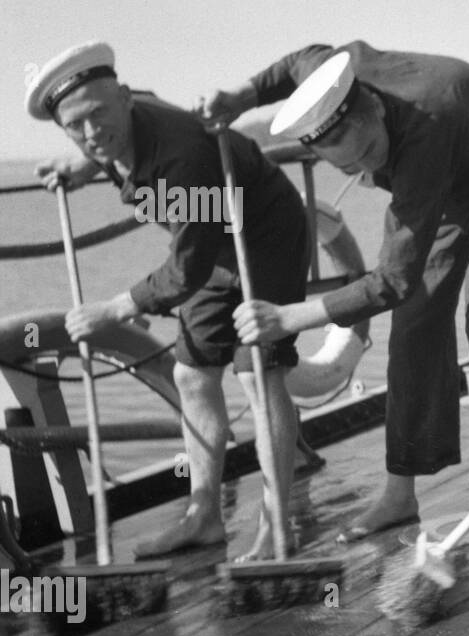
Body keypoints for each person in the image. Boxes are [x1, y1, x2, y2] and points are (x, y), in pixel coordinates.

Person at [202, 41, 469, 558]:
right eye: (351, 166)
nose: (367, 167)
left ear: (373, 107)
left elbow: (393, 279)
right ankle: (401, 492)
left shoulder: (424, 131)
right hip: (438, 179)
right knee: (416, 324)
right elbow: (294, 62)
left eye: (371, 154)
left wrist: (290, 317)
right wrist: (242, 96)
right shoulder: (334, 71)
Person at [28, 41, 310, 560]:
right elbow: (120, 136)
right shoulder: (120, 125)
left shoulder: (181, 158)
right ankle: (203, 516)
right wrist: (87, 165)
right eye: (75, 126)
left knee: (256, 371)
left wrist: (114, 310)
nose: (91, 132)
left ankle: (277, 519)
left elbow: (186, 269)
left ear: (124, 98)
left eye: (97, 115)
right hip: (212, 245)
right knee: (191, 375)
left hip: (264, 237)